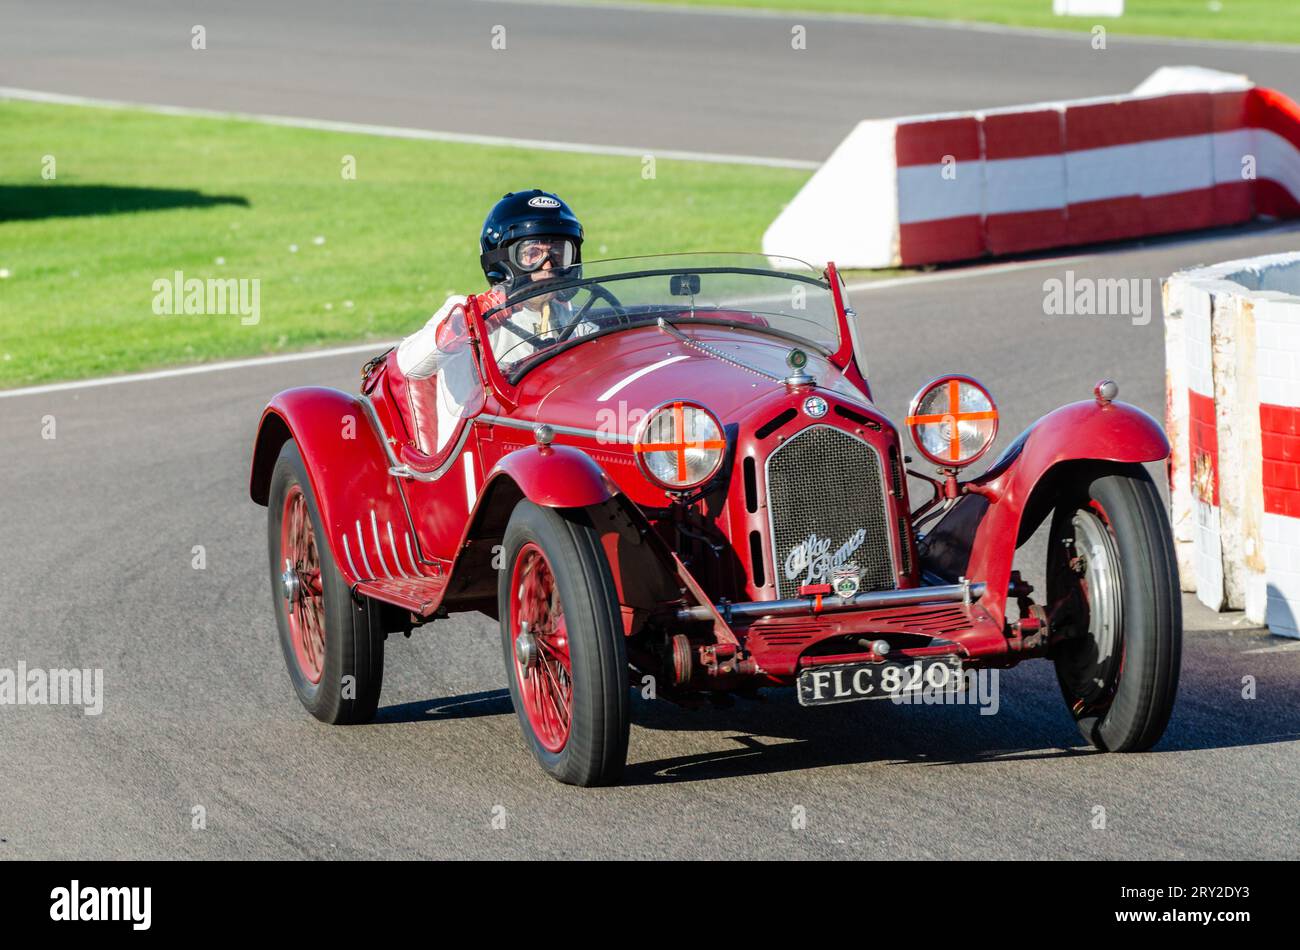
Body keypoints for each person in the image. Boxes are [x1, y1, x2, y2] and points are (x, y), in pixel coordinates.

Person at [395, 189, 591, 452]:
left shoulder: (576, 318)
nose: (548, 265)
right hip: (479, 450)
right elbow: (411, 364)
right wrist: (471, 322)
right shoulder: (464, 311)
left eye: (558, 252)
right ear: (504, 258)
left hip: (555, 446)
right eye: (532, 253)